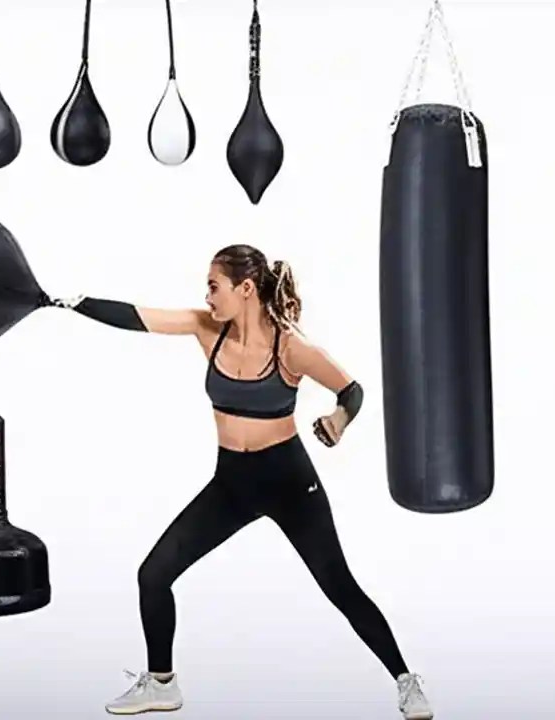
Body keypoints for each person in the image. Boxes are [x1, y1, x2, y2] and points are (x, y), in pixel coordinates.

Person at [52, 245, 433, 719]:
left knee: (339, 585)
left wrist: (338, 420)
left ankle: (405, 680)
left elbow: (350, 391)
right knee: (153, 575)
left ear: (246, 289)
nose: (207, 297)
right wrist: (70, 302)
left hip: (289, 482)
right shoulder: (204, 328)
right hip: (232, 484)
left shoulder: (290, 346)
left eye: (214, 286)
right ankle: (162, 684)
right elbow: (137, 317)